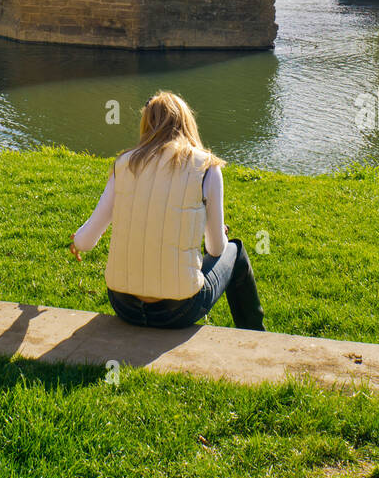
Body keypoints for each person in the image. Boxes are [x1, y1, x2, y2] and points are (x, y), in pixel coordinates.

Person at [69, 91, 265, 331]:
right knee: (236, 250)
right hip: (178, 311)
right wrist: (217, 233)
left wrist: (77, 240)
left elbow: (85, 242)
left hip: (124, 305)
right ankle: (255, 332)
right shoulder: (206, 168)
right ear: (186, 122)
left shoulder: (124, 164)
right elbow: (215, 249)